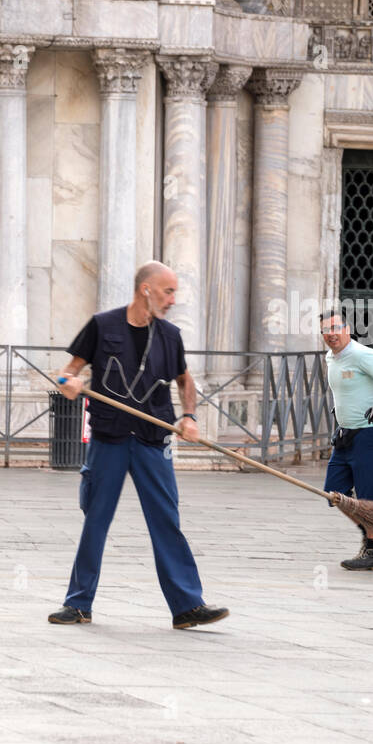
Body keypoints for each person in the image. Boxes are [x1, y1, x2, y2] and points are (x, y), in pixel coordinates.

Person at [47, 262, 229, 630]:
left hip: (152, 440)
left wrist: (189, 417)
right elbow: (69, 372)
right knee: (96, 519)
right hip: (109, 438)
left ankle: (187, 606)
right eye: (168, 291)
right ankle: (78, 604)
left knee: (166, 520)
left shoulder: (170, 335)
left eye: (174, 292)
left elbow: (185, 382)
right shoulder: (102, 325)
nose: (173, 300)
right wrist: (70, 383)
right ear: (145, 289)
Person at [320, 307, 373, 571]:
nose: (331, 334)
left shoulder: (361, 354)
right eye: (326, 330)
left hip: (368, 434)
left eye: (336, 328)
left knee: (368, 497)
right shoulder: (331, 357)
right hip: (345, 435)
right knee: (335, 494)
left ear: (347, 329)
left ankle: (372, 551)